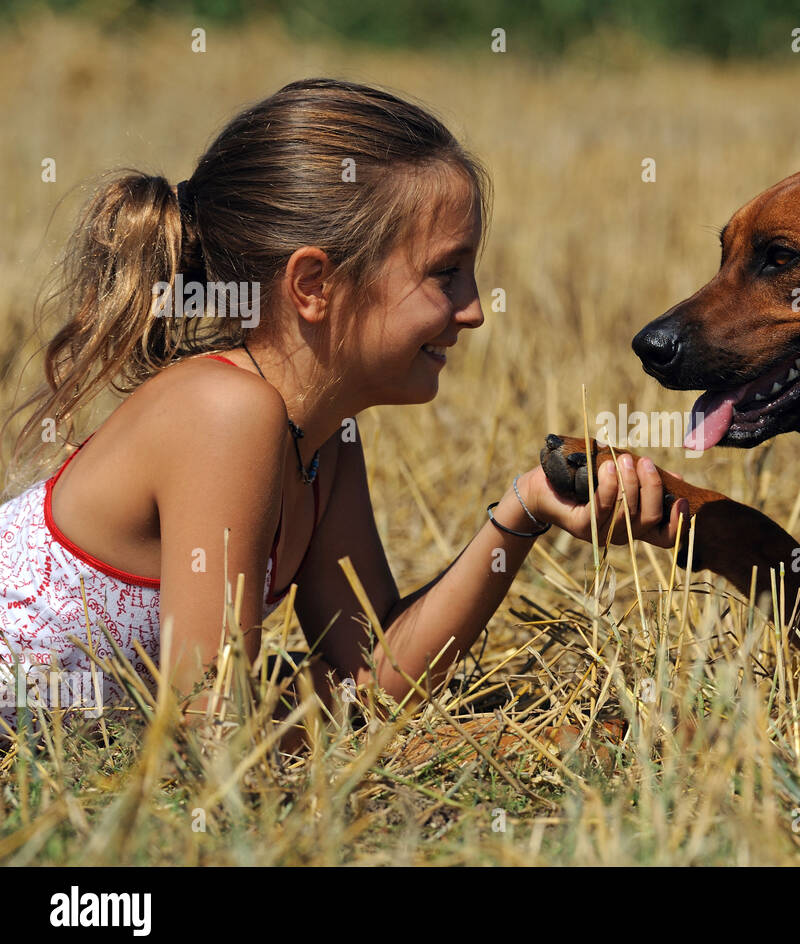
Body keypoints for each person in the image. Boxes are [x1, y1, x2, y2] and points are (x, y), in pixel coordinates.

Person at [0, 77, 687, 737]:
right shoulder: (225, 413)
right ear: (314, 284)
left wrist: (524, 510)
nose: (475, 311)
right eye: (446, 273)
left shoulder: (325, 440)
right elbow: (212, 729)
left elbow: (372, 677)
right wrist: (483, 741)